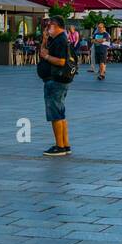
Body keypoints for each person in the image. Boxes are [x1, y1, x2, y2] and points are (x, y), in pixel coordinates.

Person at [37, 16, 73, 156]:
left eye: (50, 25)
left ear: (57, 26)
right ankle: (65, 144)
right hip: (56, 80)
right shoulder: (55, 39)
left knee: (55, 114)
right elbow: (42, 52)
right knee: (60, 113)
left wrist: (46, 57)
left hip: (56, 80)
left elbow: (61, 61)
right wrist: (45, 39)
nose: (48, 27)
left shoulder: (61, 40)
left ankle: (59, 146)